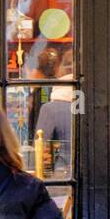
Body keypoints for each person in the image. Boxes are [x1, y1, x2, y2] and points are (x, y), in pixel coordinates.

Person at [33, 47, 74, 177]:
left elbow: (41, 146)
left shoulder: (50, 108)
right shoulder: (90, 103)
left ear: (60, 69)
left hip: (62, 173)